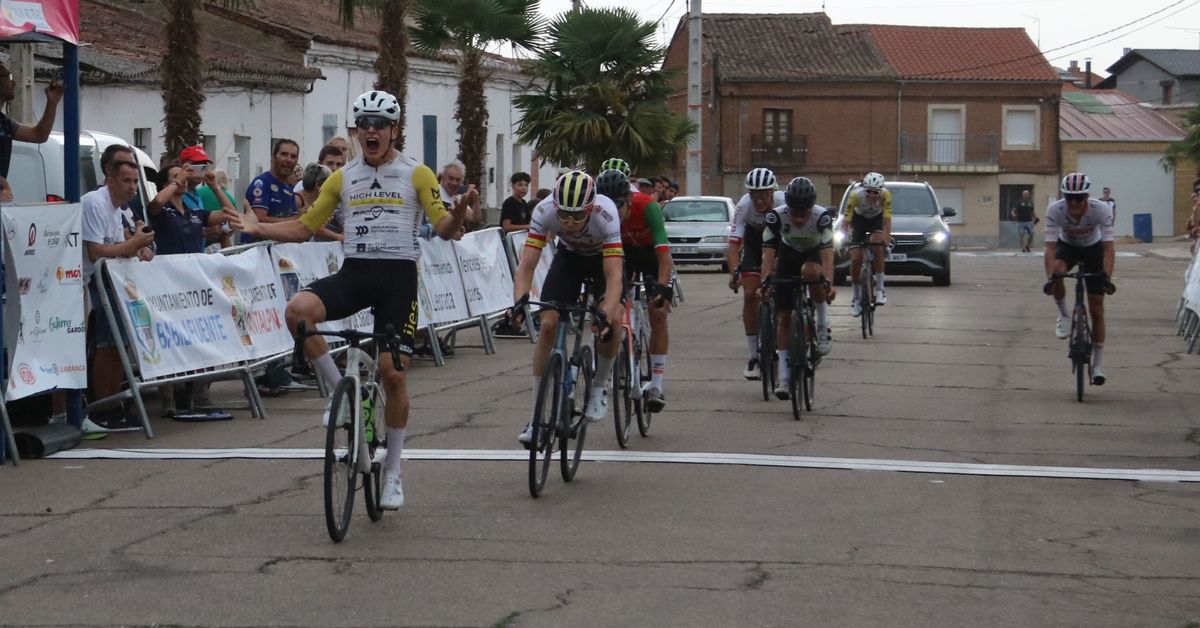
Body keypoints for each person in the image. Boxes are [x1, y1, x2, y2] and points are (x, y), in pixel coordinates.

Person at [224, 90, 471, 510]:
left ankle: (393, 470)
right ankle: (342, 396)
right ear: (357, 132)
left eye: (379, 124)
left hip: (398, 280)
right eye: (363, 125)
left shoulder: (418, 173)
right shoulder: (342, 177)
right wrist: (261, 229)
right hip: (355, 273)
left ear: (394, 130)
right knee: (298, 312)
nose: (371, 131)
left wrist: (459, 213)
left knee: (394, 375)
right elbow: (306, 226)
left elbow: (444, 228)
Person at [510, 170, 625, 445]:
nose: (570, 223)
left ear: (590, 208)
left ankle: (599, 387)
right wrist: (518, 302)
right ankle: (537, 416)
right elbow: (526, 265)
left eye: (577, 216)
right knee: (548, 324)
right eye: (564, 216)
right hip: (569, 259)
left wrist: (606, 315)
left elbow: (614, 278)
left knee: (614, 322)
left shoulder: (606, 214)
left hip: (602, 262)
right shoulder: (544, 210)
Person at [147, 162, 235, 417]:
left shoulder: (194, 211)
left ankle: (200, 394)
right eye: (175, 176)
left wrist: (215, 188)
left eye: (184, 175)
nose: (183, 179)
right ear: (166, 183)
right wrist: (175, 182)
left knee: (203, 336)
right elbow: (154, 205)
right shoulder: (162, 211)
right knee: (170, 338)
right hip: (168, 284)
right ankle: (168, 398)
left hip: (195, 284)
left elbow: (230, 213)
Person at [82, 159, 156, 428]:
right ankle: (103, 407)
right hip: (90, 282)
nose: (133, 187)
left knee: (117, 345)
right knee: (106, 345)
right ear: (109, 180)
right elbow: (95, 252)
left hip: (113, 282)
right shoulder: (94, 203)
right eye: (127, 181)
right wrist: (134, 244)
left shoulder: (120, 209)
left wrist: (139, 247)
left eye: (135, 181)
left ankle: (114, 404)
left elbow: (122, 246)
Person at [595, 168, 674, 412]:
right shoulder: (599, 214)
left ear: (628, 200)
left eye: (617, 205)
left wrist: (662, 288)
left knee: (658, 312)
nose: (612, 211)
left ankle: (656, 385)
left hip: (650, 253)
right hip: (623, 253)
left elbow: (664, 256)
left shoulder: (647, 205)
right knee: (613, 307)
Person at [758, 177, 836, 399]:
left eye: (804, 211)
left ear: (811, 206)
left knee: (811, 272)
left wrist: (829, 282)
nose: (800, 216)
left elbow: (828, 254)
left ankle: (822, 325)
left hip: (813, 252)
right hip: (788, 253)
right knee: (783, 317)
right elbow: (768, 253)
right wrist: (765, 281)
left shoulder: (821, 217)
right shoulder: (776, 217)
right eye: (795, 211)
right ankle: (784, 378)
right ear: (788, 207)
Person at [1042, 172, 1116, 385]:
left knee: (1097, 310)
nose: (1074, 202)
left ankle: (1097, 366)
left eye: (1079, 198)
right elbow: (1050, 248)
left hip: (1093, 249)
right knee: (1057, 271)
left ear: (1087, 196)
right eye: (1069, 198)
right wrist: (1050, 278)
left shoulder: (1101, 209)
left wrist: (1106, 277)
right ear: (1064, 197)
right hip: (1068, 247)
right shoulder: (1055, 209)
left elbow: (1109, 249)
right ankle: (1064, 315)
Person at [727, 167, 786, 380]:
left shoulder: (783, 203)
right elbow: (734, 245)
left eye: (763, 193)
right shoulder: (744, 206)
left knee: (782, 290)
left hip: (781, 240)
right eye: (754, 193)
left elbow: (792, 238)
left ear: (773, 192)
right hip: (754, 240)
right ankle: (753, 355)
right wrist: (735, 272)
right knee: (750, 294)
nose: (759, 199)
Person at [0, 60, 63, 190]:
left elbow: (39, 135)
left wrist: (52, 103)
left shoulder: (4, 123)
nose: (14, 83)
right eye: (8, 77)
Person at [842, 171, 892, 316]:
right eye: (868, 191)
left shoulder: (886, 196)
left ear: (881, 191)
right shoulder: (855, 196)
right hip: (858, 220)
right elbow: (846, 222)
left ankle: (880, 289)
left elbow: (887, 222)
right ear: (864, 189)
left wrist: (886, 243)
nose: (871, 195)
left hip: (876, 219)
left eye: (875, 192)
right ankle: (857, 298)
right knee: (856, 258)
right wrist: (844, 241)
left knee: (877, 243)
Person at [239, 138, 300, 244]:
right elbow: (258, 220)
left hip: (278, 252)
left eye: (293, 156)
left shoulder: (289, 190)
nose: (289, 160)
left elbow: (295, 224)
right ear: (273, 157)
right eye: (284, 154)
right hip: (255, 252)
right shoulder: (261, 183)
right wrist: (294, 221)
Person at [294, 163, 341, 242]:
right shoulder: (297, 200)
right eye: (328, 185)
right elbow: (307, 227)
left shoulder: (314, 202)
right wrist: (338, 237)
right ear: (319, 185)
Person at [438, 160, 480, 229]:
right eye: (451, 178)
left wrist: (476, 199)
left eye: (458, 180)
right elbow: (443, 223)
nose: (454, 183)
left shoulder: (457, 197)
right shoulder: (435, 194)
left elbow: (474, 218)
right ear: (443, 177)